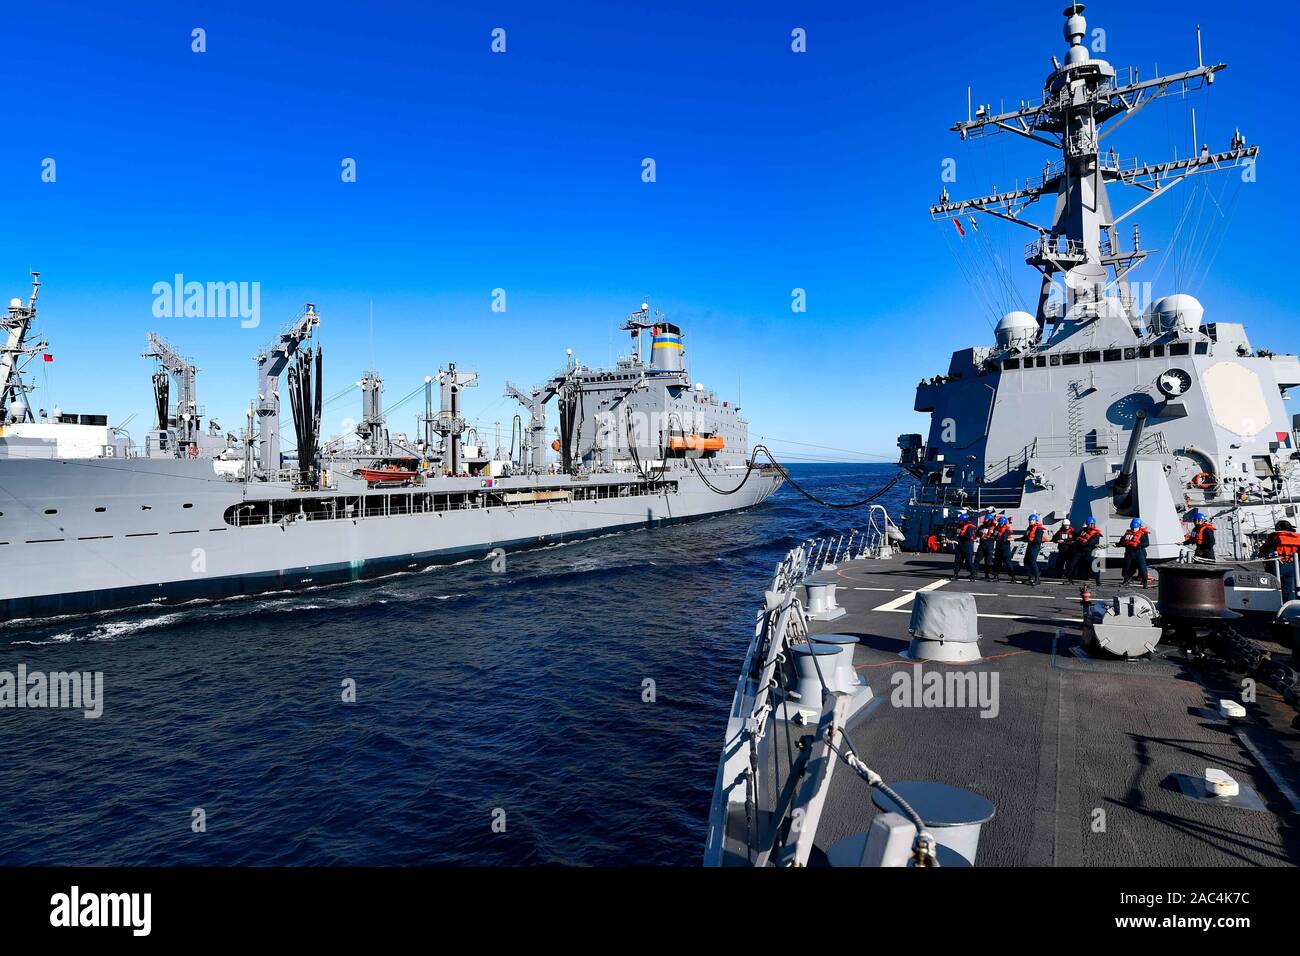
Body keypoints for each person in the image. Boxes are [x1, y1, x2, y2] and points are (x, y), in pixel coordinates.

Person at [1260, 519, 1300, 602]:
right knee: (1288, 589)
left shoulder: (1275, 537)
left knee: (1273, 588)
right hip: (1292, 564)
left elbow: (1264, 550)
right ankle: (1289, 606)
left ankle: (1274, 605)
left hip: (1276, 564)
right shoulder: (1296, 537)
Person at [1119, 518, 1151, 587]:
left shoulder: (1143, 534)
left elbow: (1146, 543)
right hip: (1129, 553)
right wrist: (1117, 544)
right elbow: (1122, 541)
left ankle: (1144, 582)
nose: (1133, 529)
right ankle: (1126, 580)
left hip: (1139, 553)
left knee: (1142, 568)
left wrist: (1139, 545)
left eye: (1135, 528)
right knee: (1127, 567)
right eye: (1132, 528)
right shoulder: (1128, 533)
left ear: (1139, 527)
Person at [1073, 517, 1104, 585]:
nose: (1090, 525)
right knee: (1073, 563)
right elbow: (1077, 538)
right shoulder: (1083, 531)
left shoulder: (1096, 534)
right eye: (1089, 524)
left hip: (1088, 551)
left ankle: (1098, 580)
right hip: (1080, 551)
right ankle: (1070, 579)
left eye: (1091, 524)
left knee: (1093, 565)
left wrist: (1079, 543)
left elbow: (1089, 543)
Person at [951, 512, 978, 581]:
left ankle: (973, 573)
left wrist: (959, 536)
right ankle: (955, 574)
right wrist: (954, 536)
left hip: (967, 544)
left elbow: (969, 536)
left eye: (961, 520)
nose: (960, 521)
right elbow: (955, 533)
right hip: (960, 544)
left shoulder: (970, 526)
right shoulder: (959, 526)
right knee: (958, 560)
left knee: (968, 561)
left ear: (965, 520)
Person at [1022, 513, 1047, 586]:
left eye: (1032, 520)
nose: (1030, 521)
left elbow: (1038, 540)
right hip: (1030, 545)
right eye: (1029, 520)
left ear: (1036, 521)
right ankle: (1030, 577)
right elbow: (1025, 537)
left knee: (1032, 561)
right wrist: (1015, 539)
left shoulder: (1038, 529)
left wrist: (1030, 540)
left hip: (1035, 546)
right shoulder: (1029, 528)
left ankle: (1037, 578)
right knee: (1026, 561)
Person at [992, 516, 1017, 583]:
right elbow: (994, 536)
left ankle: (1013, 577)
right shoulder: (996, 529)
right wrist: (996, 537)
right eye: (1000, 523)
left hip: (1005, 548)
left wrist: (997, 538)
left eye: (1002, 523)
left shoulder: (1006, 530)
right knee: (997, 562)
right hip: (998, 547)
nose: (1000, 524)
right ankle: (996, 576)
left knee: (1008, 562)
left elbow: (1004, 538)